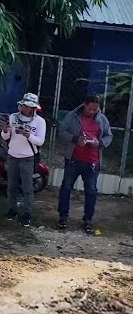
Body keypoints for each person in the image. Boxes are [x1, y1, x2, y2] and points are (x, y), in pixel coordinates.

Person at [56, 95, 112, 233]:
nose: (93, 111)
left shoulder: (102, 119)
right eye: (90, 108)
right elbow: (62, 131)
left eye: (95, 109)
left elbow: (109, 135)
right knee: (66, 188)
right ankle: (63, 217)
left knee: (91, 191)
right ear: (84, 105)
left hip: (93, 162)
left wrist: (100, 143)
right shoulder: (73, 116)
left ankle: (88, 219)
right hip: (73, 159)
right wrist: (75, 139)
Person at [0, 93, 47, 227]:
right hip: (12, 155)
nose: (24, 108)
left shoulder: (39, 122)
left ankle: (27, 214)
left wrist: (29, 136)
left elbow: (40, 141)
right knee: (11, 186)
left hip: (27, 157)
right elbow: (6, 136)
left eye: (27, 106)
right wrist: (4, 130)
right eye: (23, 105)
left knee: (27, 188)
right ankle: (11, 210)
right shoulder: (13, 117)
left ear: (33, 108)